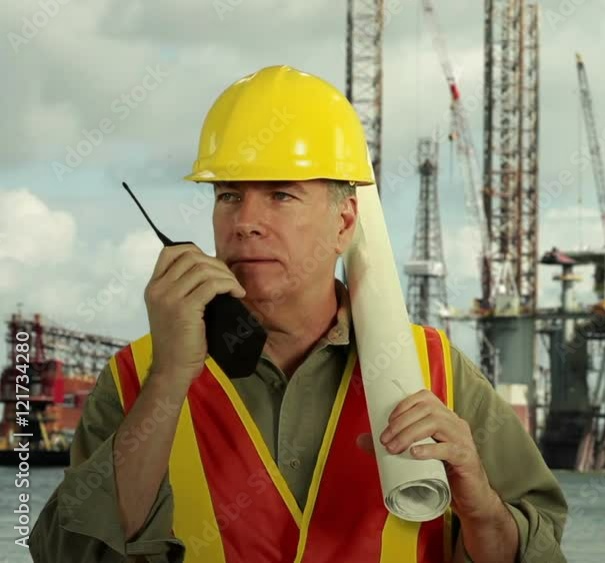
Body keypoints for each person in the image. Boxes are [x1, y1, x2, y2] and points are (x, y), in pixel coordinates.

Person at [29, 65, 567, 563]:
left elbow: (535, 549)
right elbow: (67, 554)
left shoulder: (437, 373)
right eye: (229, 196)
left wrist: (478, 502)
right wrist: (169, 380)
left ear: (345, 221)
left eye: (281, 195)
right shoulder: (135, 379)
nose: (245, 222)